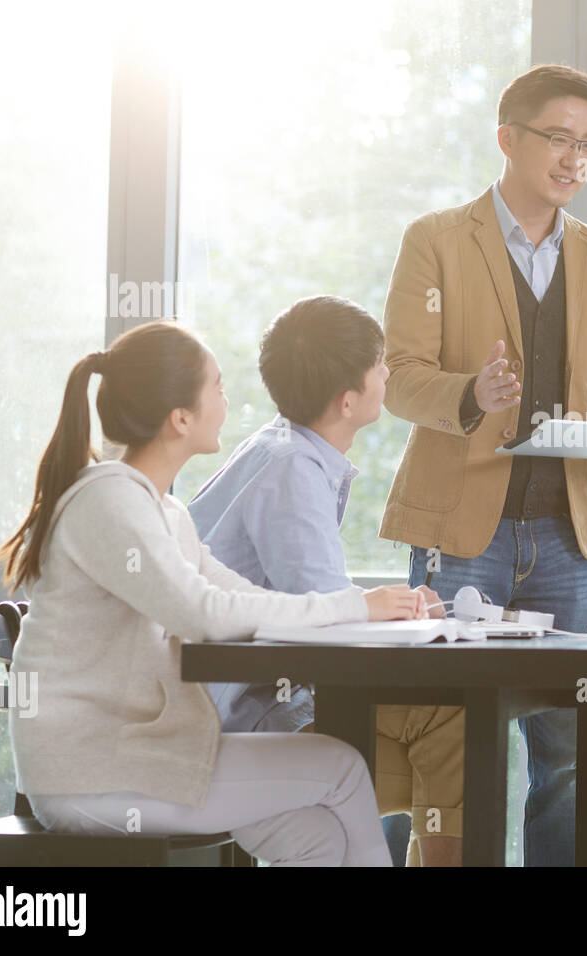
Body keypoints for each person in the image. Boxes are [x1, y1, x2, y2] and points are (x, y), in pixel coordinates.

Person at [0, 321, 423, 866]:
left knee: (317, 836)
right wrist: (356, 606)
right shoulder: (108, 502)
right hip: (93, 774)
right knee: (341, 767)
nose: (228, 399)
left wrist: (362, 607)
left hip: (145, 755)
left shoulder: (164, 510)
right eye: (217, 387)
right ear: (180, 418)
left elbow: (241, 599)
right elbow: (204, 614)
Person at [379, 64, 587, 865]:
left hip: (564, 536)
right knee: (439, 740)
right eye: (559, 139)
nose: (575, 159)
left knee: (567, 754)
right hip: (463, 529)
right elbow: (398, 376)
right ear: (509, 138)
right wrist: (472, 392)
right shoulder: (434, 240)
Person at [187, 296, 464, 866]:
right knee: (454, 729)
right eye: (379, 364)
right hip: (246, 718)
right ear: (347, 400)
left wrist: (392, 608)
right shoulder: (292, 469)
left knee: (452, 743)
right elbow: (328, 628)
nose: (388, 372)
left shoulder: (279, 448)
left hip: (253, 703)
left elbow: (316, 603)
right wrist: (395, 611)